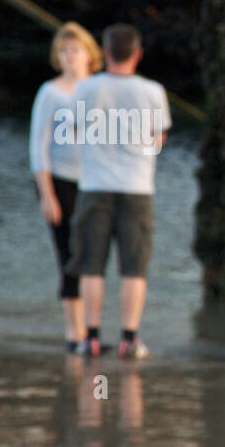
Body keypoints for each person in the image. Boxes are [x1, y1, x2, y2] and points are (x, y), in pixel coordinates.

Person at [65, 23, 171, 359]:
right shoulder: (153, 91)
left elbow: (75, 131)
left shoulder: (85, 89)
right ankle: (129, 339)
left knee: (91, 265)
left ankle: (91, 337)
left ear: (105, 53)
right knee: (134, 267)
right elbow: (159, 138)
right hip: (137, 188)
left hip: (95, 186)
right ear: (138, 55)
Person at [29, 22, 103, 354]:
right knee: (69, 255)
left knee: (92, 256)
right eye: (64, 50)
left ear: (90, 54)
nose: (69, 56)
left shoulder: (100, 89)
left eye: (75, 49)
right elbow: (38, 145)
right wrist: (46, 194)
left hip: (96, 182)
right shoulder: (50, 92)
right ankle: (74, 333)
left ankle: (93, 330)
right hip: (60, 182)